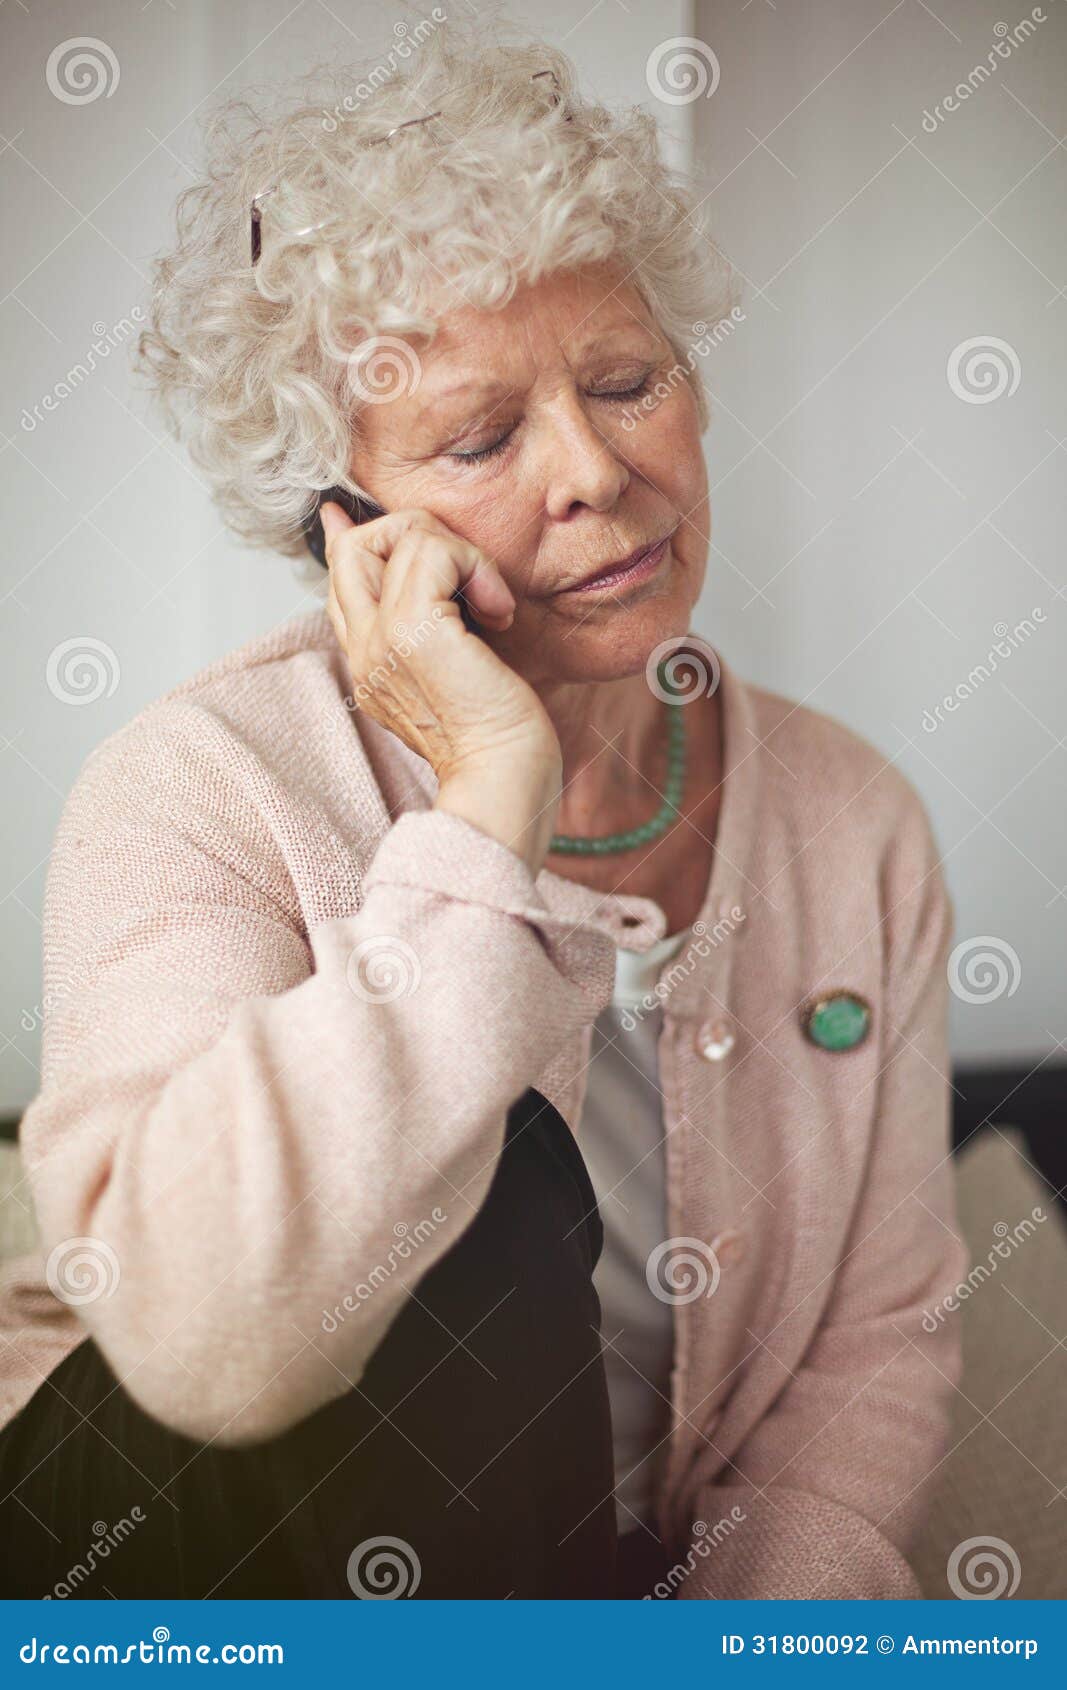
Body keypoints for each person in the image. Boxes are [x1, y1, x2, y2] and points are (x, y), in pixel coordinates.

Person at [0, 27, 967, 1599]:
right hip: (175, 1555)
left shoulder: (853, 819)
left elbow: (876, 1336)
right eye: (482, 437)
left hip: (583, 1592)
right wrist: (488, 805)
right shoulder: (197, 786)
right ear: (348, 529)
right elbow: (202, 1340)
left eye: (625, 382)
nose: (595, 470)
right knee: (494, 1187)